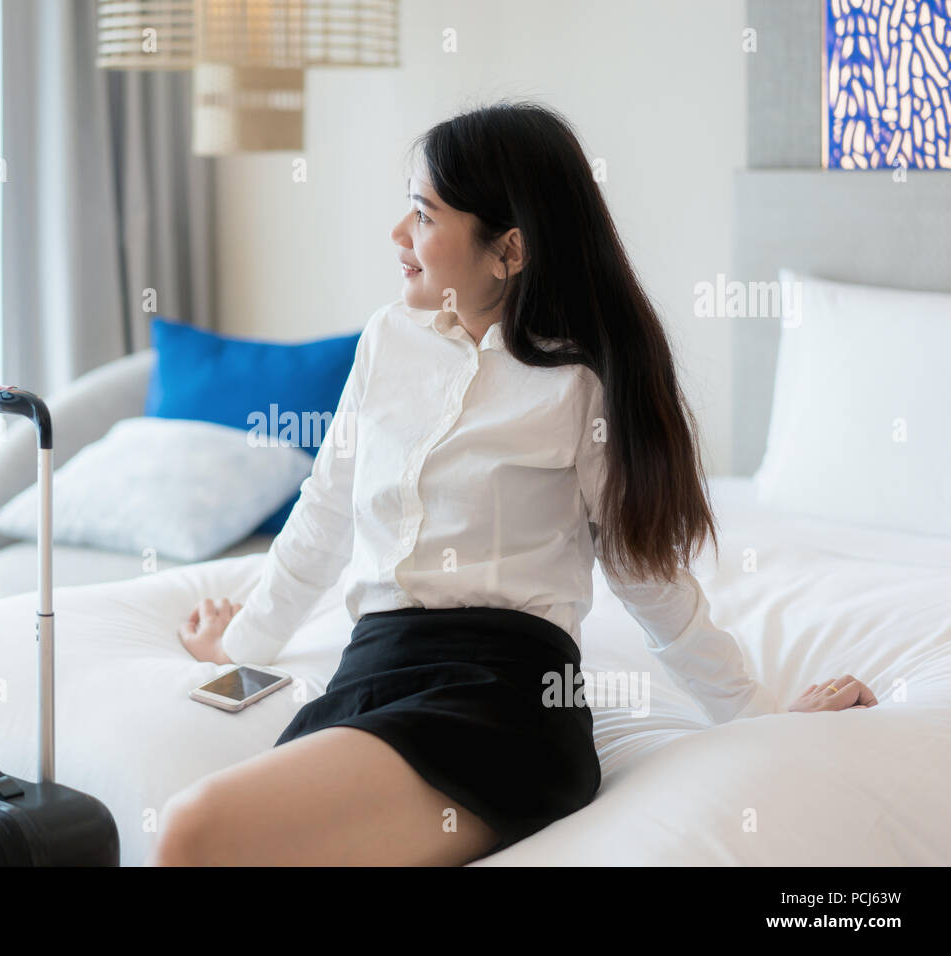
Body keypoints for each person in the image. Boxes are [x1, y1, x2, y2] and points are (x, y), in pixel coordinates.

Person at [150, 100, 878, 867]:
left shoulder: (578, 383)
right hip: (369, 673)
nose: (399, 237)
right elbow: (324, 513)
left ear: (508, 250)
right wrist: (239, 644)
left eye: (425, 216)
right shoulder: (386, 341)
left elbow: (648, 581)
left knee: (193, 831)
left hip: (501, 704)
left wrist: (760, 715)